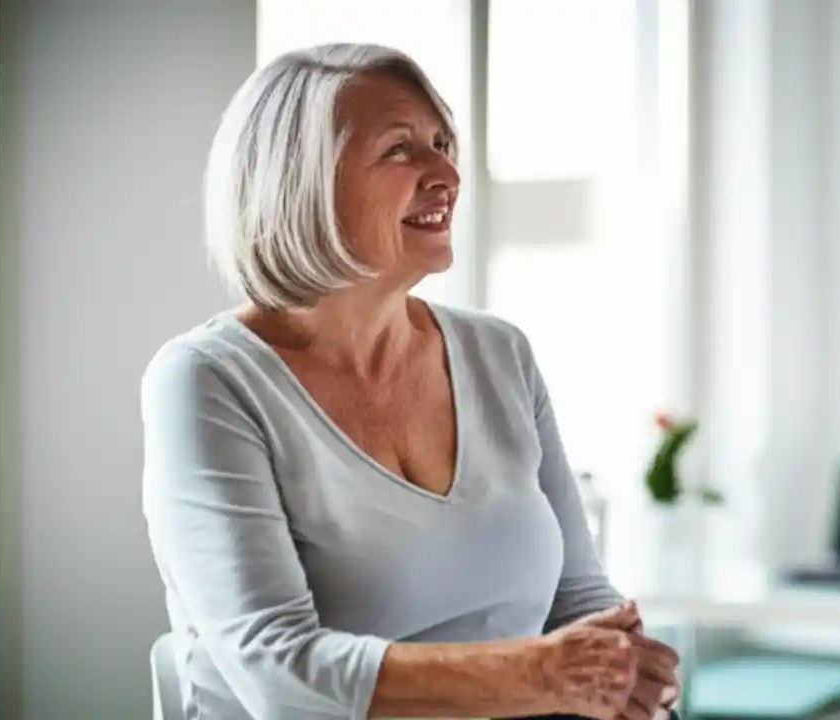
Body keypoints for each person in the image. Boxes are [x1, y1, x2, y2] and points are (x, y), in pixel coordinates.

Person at [141, 43, 679, 720]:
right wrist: (542, 674)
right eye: (401, 149)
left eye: (442, 142)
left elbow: (579, 596)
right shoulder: (207, 380)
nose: (446, 172)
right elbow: (276, 669)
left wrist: (627, 670)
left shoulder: (499, 353)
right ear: (300, 181)